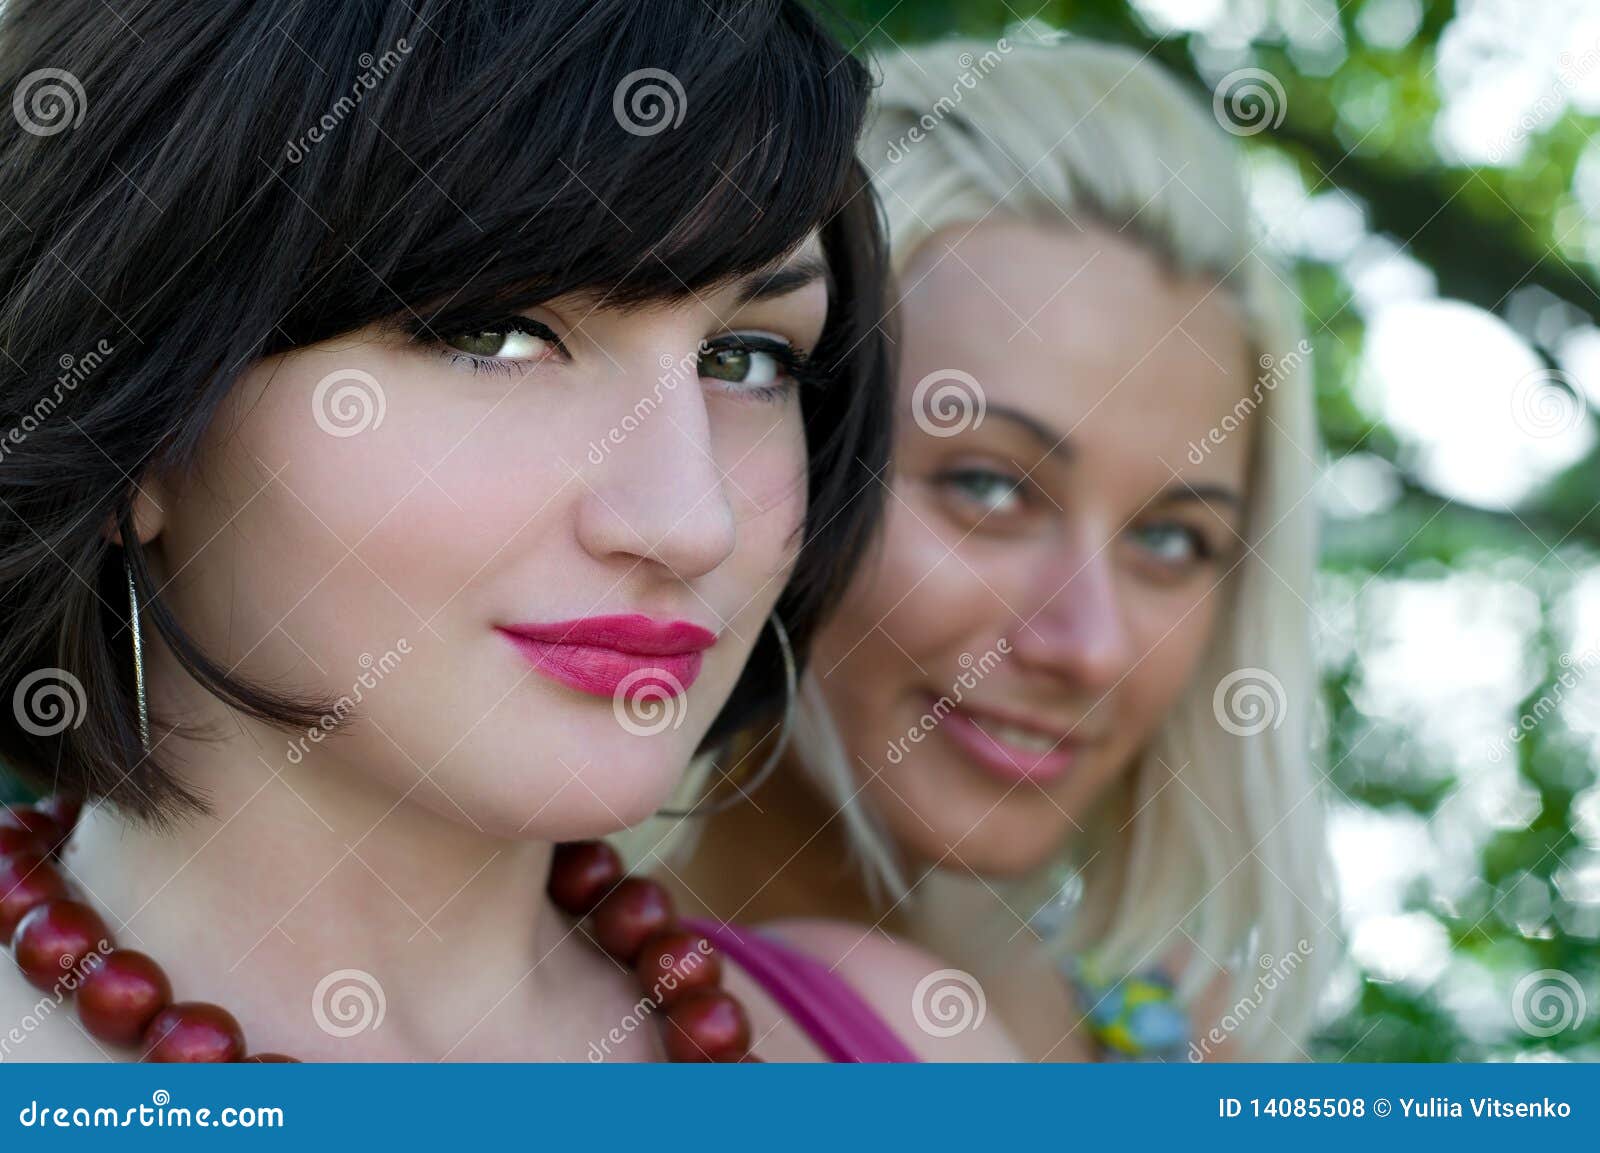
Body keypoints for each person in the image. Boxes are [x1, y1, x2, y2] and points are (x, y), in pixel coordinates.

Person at [0, 0, 1016, 1062]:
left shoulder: (910, 1044)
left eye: (745, 358)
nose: (690, 521)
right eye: (496, 334)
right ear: (134, 432)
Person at [665, 35, 1338, 1061]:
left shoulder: (1183, 1045)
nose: (1089, 643)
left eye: (1171, 538)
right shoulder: (455, 1013)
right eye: (988, 486)